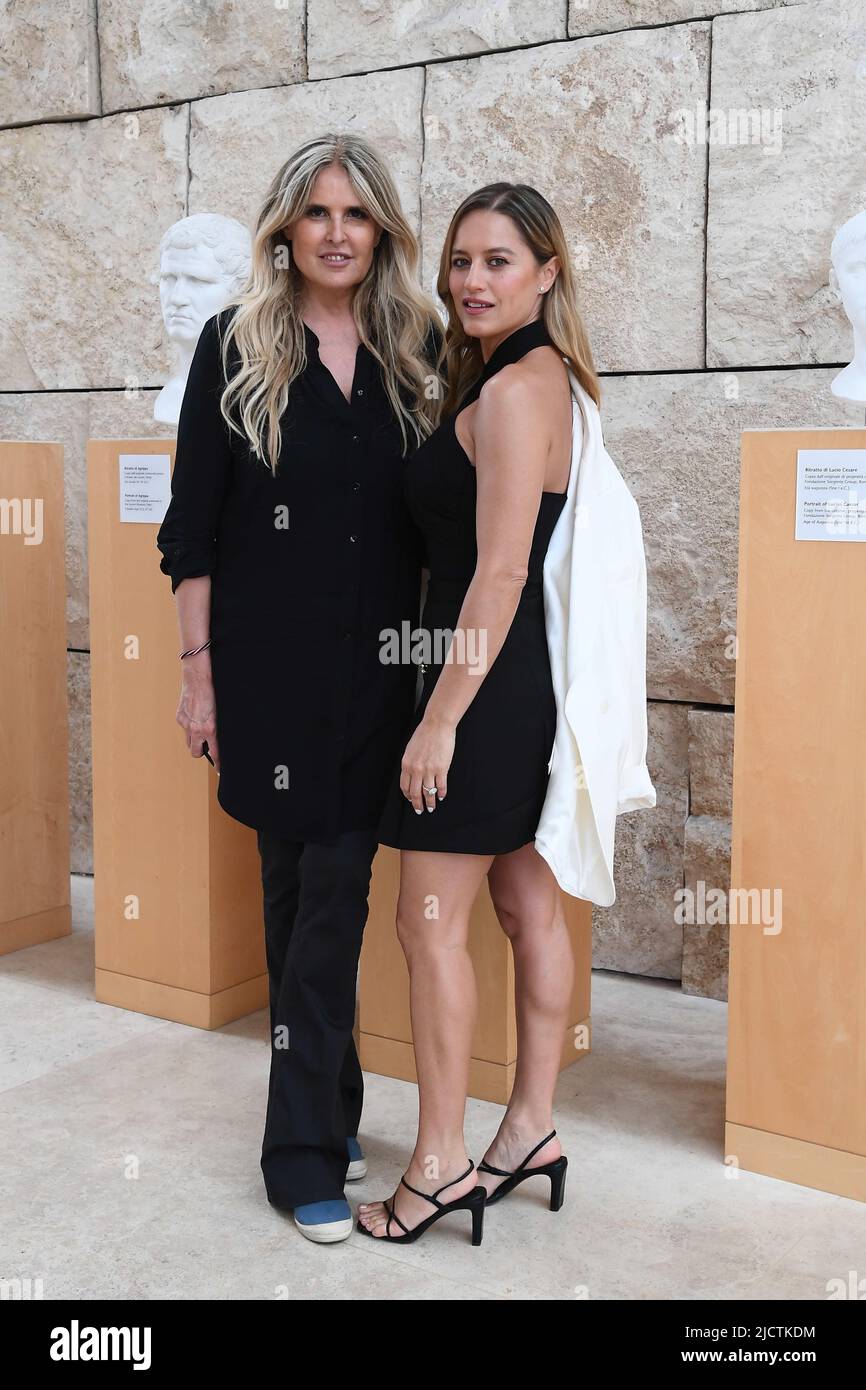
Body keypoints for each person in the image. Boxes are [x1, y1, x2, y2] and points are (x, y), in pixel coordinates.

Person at [156, 132, 442, 1245]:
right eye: (316, 213)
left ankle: (313, 1127)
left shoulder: (414, 346)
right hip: (268, 679)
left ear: (380, 231)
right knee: (308, 904)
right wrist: (197, 679)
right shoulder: (234, 343)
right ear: (286, 227)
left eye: (356, 215)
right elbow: (193, 533)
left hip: (381, 677)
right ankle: (311, 1139)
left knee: (321, 903)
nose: (335, 232)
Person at [359, 182, 602, 1243]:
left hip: (483, 686)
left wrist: (439, 717)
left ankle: (436, 1165)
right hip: (518, 682)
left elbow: (498, 571)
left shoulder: (513, 390)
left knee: (427, 928)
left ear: (546, 272)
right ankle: (529, 1130)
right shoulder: (532, 376)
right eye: (459, 260)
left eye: (497, 260)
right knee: (523, 909)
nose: (469, 280)